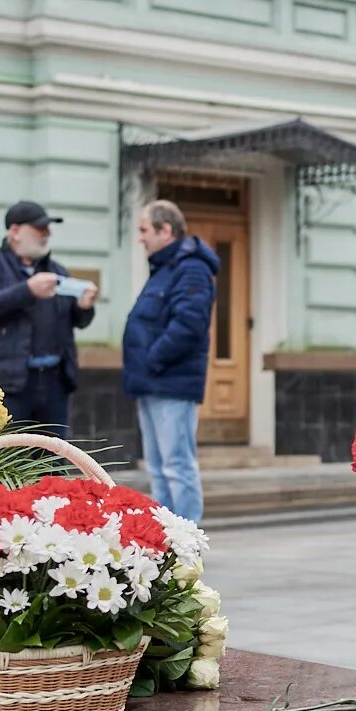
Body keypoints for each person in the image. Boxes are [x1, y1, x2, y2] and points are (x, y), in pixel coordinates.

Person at [122, 199, 219, 524]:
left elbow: (189, 324)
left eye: (144, 230)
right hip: (152, 382)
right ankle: (164, 539)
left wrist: (153, 358)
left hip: (170, 382)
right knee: (158, 467)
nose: (140, 238)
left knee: (177, 465)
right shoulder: (166, 268)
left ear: (166, 230)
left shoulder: (191, 267)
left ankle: (187, 541)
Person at [0, 201, 97, 438]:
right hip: (10, 385)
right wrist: (27, 290)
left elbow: (77, 321)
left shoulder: (57, 271)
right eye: (39, 229)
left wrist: (84, 307)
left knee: (54, 461)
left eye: (47, 229)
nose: (47, 234)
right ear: (15, 231)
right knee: (12, 459)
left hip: (55, 382)